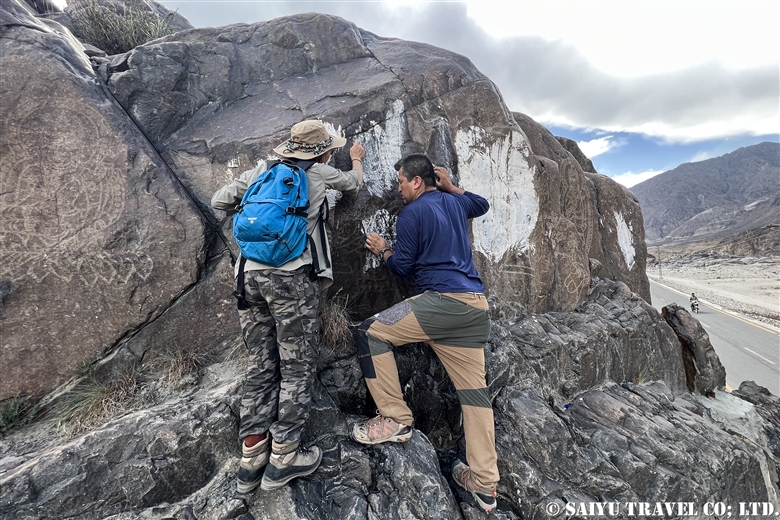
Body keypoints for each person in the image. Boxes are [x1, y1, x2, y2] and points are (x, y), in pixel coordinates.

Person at [211, 120, 365, 493]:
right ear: (322, 151)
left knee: (262, 364)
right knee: (297, 367)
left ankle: (252, 458)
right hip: (291, 281)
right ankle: (284, 457)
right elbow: (354, 184)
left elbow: (218, 201)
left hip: (248, 278)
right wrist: (356, 160)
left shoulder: (262, 171)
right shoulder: (319, 172)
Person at [350, 153, 499, 513]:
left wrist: (385, 250)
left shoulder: (412, 213)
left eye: (401, 181)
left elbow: (402, 266)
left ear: (416, 181)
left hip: (442, 304)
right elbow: (481, 204)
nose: (398, 188)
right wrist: (451, 186)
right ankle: (484, 484)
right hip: (475, 306)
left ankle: (396, 419)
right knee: (475, 398)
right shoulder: (454, 202)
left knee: (369, 332)